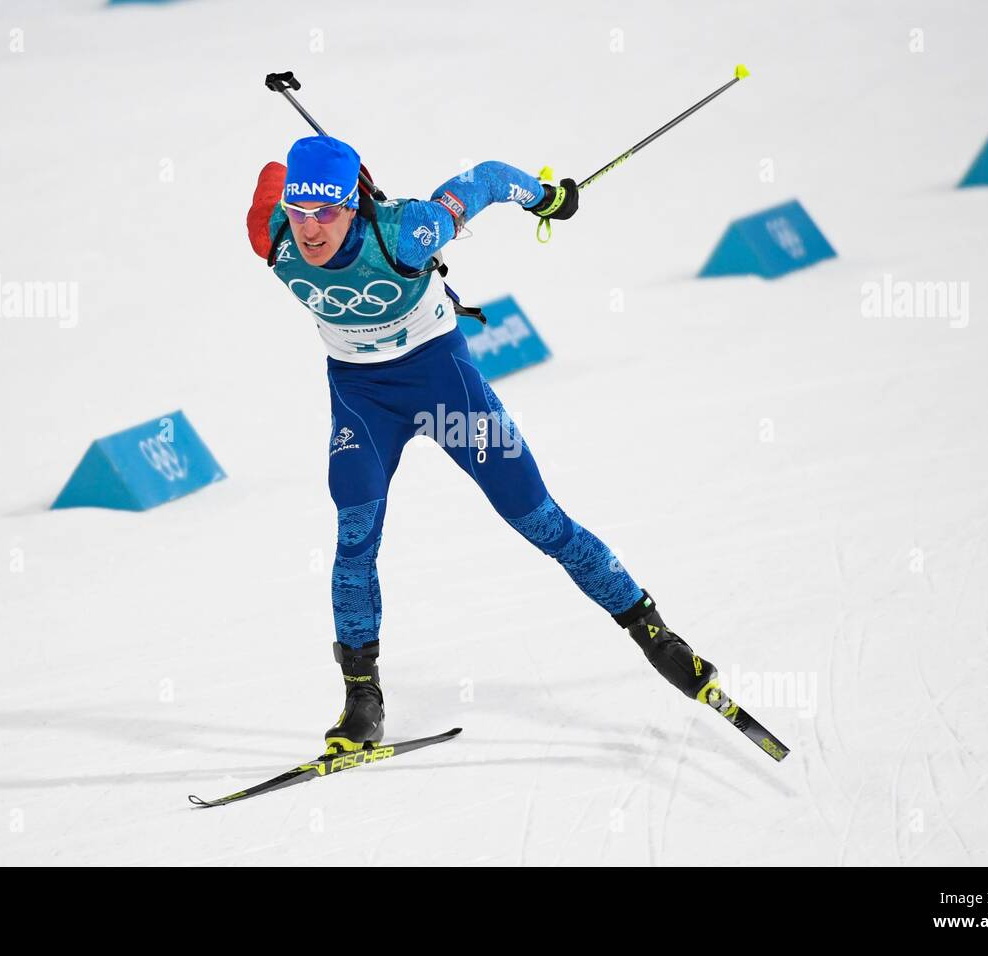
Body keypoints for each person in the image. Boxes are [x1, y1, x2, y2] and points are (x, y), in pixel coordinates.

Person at [246, 135, 719, 754]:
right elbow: (272, 173)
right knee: (354, 535)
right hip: (362, 399)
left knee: (538, 518)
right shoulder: (271, 233)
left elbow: (490, 177)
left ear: (352, 208)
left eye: (328, 212)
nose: (311, 230)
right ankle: (362, 696)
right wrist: (344, 176)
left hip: (440, 382)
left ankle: (653, 633)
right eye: (300, 211)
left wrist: (547, 199)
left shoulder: (408, 230)